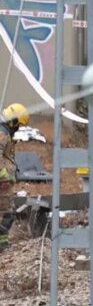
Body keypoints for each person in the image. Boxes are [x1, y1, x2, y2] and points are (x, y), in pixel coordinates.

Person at [0, 104, 28, 253]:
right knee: (5, 214)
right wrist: (3, 178)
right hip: (2, 183)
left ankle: (3, 244)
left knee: (6, 214)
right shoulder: (2, 133)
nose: (18, 129)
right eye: (18, 125)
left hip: (4, 182)